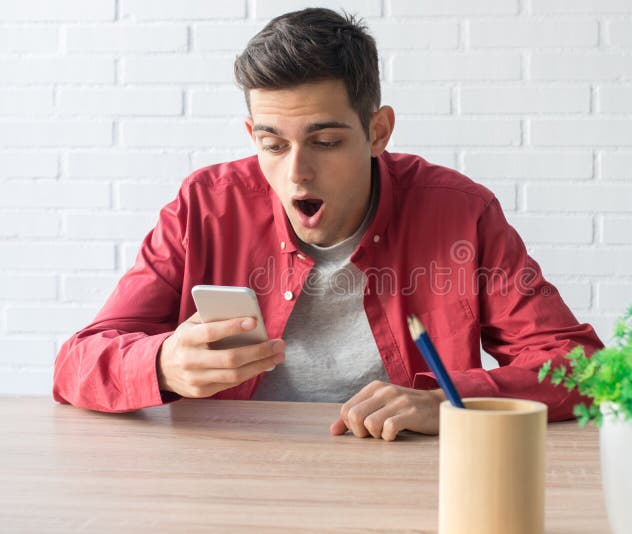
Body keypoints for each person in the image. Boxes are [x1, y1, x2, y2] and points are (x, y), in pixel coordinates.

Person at [53, 8, 603, 441]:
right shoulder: (204, 205)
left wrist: (449, 400)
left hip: (400, 478)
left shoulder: (460, 212)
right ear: (252, 135)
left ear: (378, 132)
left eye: (326, 141)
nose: (296, 173)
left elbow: (583, 370)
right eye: (273, 144)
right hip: (225, 480)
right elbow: (76, 364)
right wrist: (163, 365)